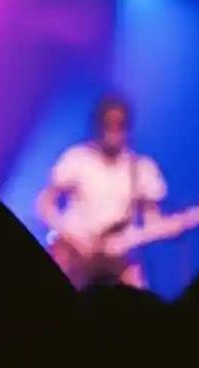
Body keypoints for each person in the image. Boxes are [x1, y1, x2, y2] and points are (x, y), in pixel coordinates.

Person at [37, 95, 167, 288]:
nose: (114, 131)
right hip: (76, 255)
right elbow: (45, 203)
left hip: (117, 258)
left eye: (120, 124)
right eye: (108, 123)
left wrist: (161, 228)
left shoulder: (141, 169)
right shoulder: (77, 159)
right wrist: (71, 236)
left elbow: (153, 221)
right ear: (98, 125)